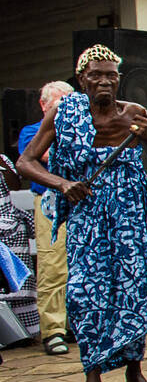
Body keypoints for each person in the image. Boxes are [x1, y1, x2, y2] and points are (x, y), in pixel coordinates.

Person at [17, 45, 147, 382]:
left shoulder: (135, 113)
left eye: (111, 75)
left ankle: (135, 370)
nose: (104, 81)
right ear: (81, 79)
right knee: (88, 292)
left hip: (131, 215)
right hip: (87, 214)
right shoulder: (64, 112)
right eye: (95, 75)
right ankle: (92, 378)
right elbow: (25, 163)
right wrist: (62, 184)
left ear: (119, 80)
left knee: (132, 287)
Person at [17, 81, 74, 354]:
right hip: (51, 204)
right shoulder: (32, 131)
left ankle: (74, 324)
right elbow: (45, 154)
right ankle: (53, 330)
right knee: (53, 264)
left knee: (81, 265)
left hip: (80, 202)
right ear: (44, 105)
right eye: (59, 104)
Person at [0, 154, 38, 339]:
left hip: (7, 223)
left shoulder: (1, 160)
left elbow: (14, 185)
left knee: (16, 279)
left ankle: (23, 334)